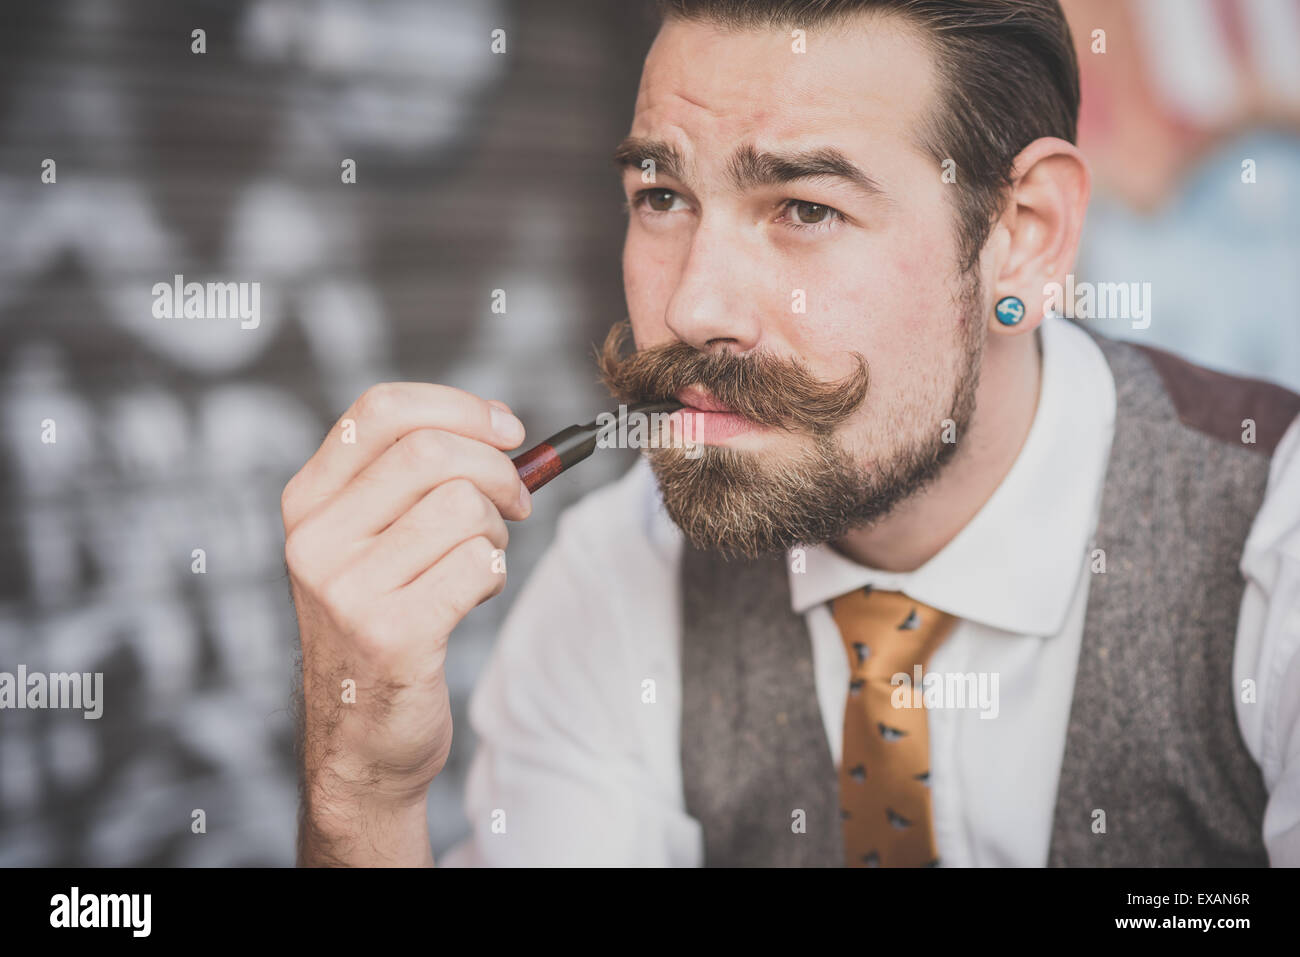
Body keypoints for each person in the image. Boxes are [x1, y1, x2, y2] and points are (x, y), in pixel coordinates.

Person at [281, 0, 1300, 867]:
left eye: (804, 208)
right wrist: (363, 792)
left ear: (1023, 237)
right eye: (662, 196)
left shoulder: (1272, 542)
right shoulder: (611, 579)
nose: (692, 308)